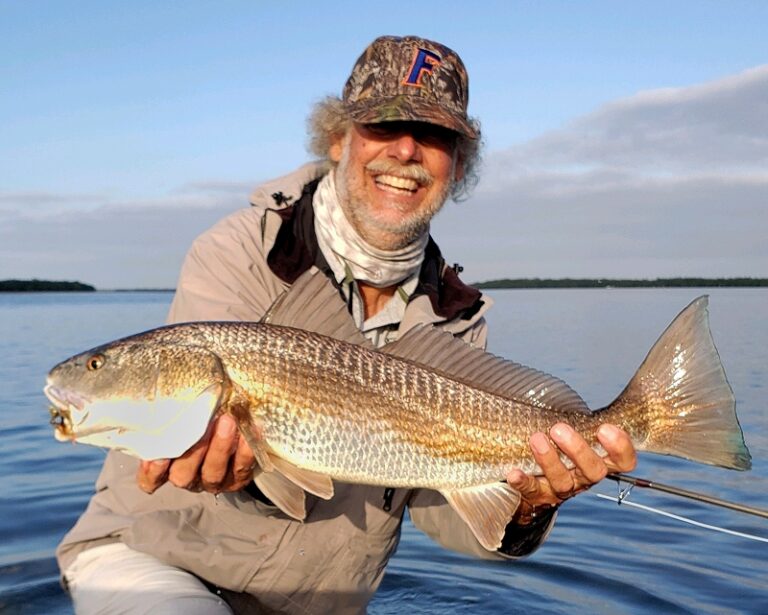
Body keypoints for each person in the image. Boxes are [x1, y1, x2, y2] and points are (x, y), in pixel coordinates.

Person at [58, 35, 637, 614]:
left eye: (435, 134)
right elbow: (202, 441)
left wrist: (531, 502)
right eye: (384, 125)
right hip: (151, 558)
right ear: (338, 138)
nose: (406, 150)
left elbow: (444, 510)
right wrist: (237, 461)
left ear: (457, 165)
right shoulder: (241, 250)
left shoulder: (457, 316)